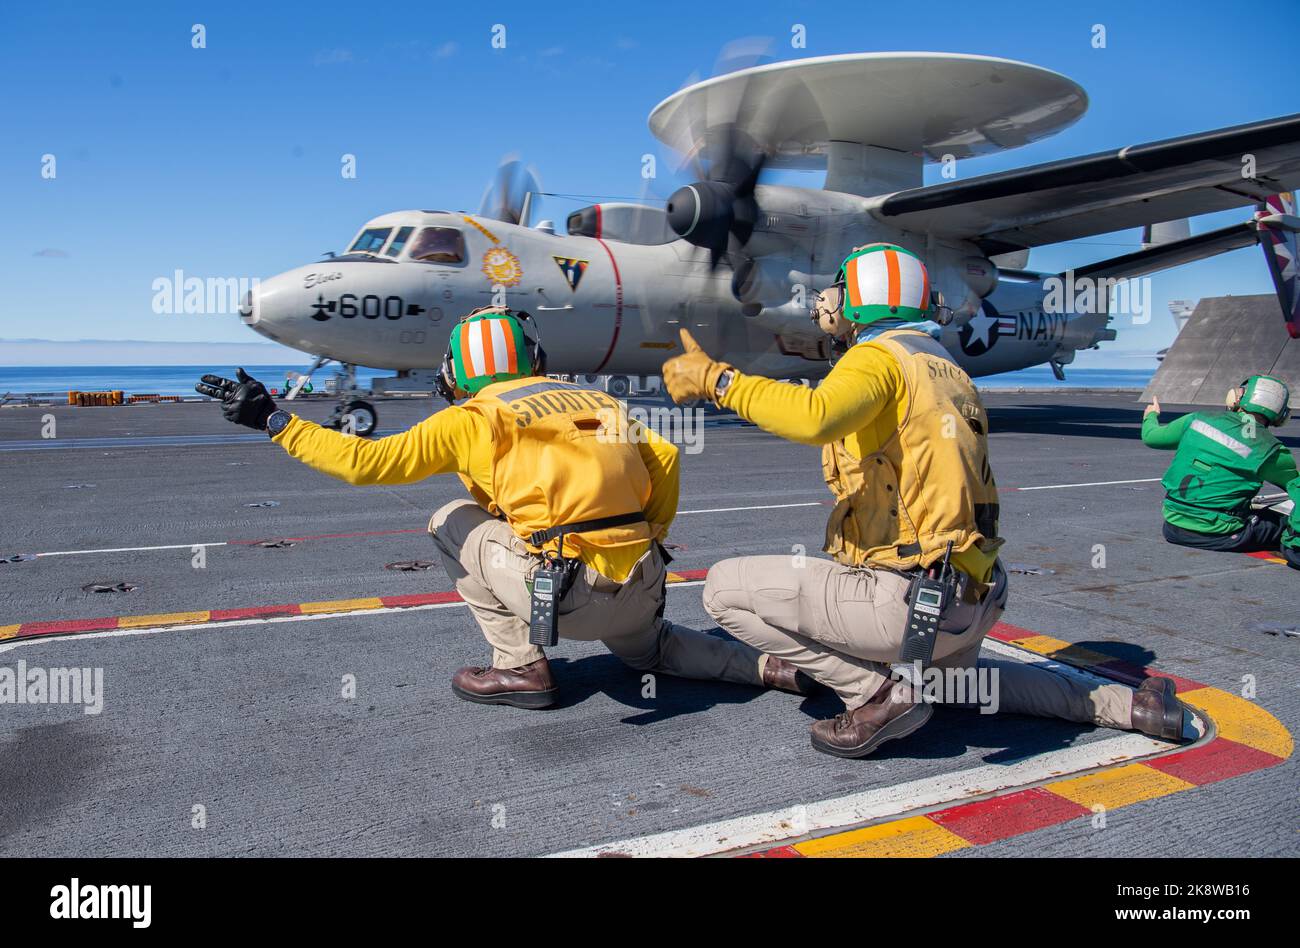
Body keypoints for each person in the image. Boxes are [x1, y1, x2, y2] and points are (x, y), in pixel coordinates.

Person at [662, 244, 1189, 757]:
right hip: (971, 595)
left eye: (838, 290)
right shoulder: (942, 364)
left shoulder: (877, 357)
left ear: (860, 299)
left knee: (725, 588)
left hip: (911, 604)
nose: (828, 301)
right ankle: (1131, 705)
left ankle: (875, 695)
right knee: (964, 686)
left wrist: (718, 379)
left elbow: (814, 416)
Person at [196, 307, 809, 709]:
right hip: (642, 584)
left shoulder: (473, 417)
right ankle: (774, 670)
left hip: (562, 596)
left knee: (450, 520)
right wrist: (650, 537)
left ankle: (522, 668)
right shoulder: (601, 401)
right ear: (532, 359)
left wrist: (272, 418)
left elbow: (365, 464)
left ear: (462, 370)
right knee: (653, 650)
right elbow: (667, 461)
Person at [1143, 375, 1300, 570]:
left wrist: (1150, 416)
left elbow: (1151, 437)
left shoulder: (1196, 419)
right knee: (1281, 522)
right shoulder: (1272, 452)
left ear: (1236, 398)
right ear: (1281, 415)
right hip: (1222, 534)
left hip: (1174, 527)